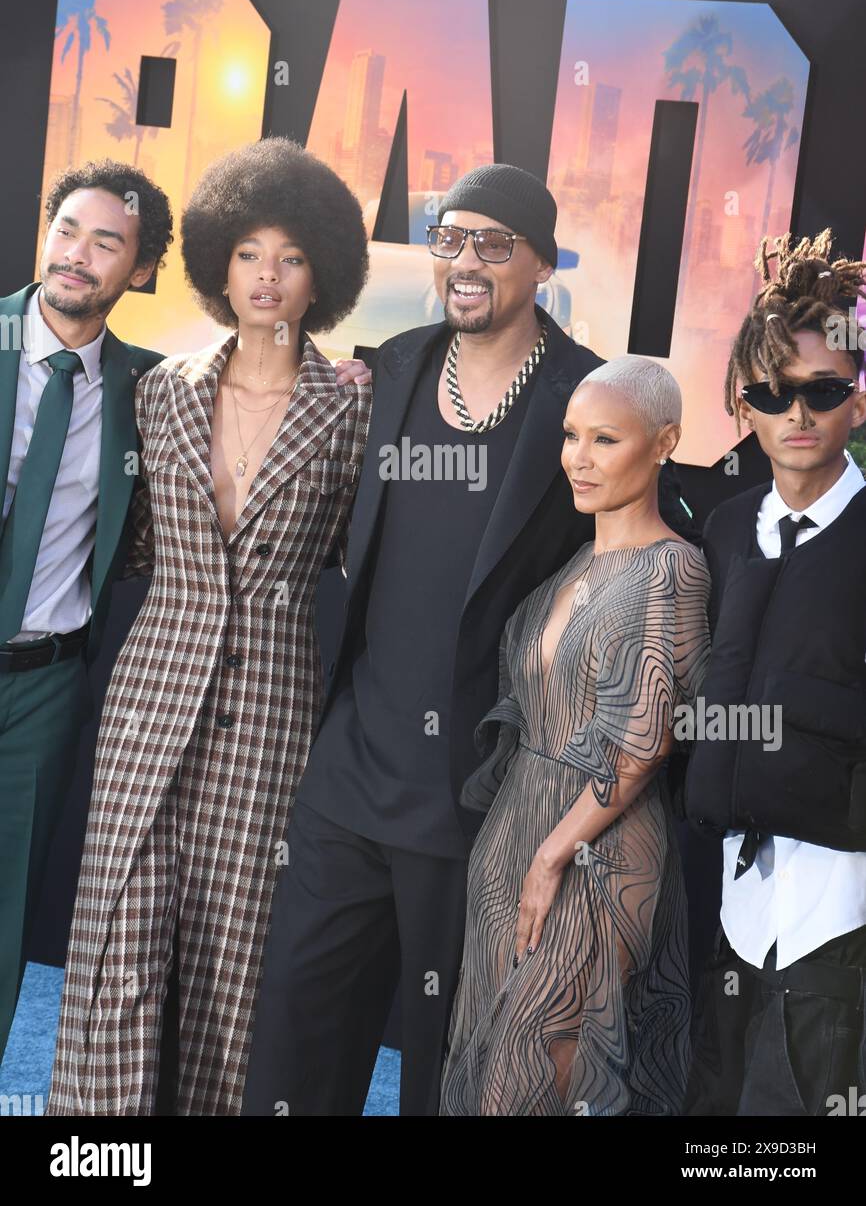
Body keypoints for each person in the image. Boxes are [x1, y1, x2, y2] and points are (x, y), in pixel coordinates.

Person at [242, 164, 695, 1117]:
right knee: (292, 1048)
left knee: (447, 1077)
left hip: (482, 805)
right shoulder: (389, 366)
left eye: (494, 243)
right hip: (351, 780)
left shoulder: (585, 396)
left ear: (540, 263)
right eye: (451, 238)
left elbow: (640, 563)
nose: (467, 261)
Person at [46, 137, 372, 1116]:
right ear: (216, 262)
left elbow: (367, 558)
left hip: (273, 715)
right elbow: (121, 542)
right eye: (247, 254)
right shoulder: (159, 393)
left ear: (323, 275)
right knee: (117, 950)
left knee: (237, 965)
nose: (265, 276)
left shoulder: (352, 407)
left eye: (291, 257)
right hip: (148, 702)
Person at [438, 356, 711, 1116]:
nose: (578, 459)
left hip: (597, 856)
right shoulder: (577, 563)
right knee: (488, 1059)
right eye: (570, 436)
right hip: (516, 838)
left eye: (605, 440)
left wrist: (552, 857)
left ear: (664, 444)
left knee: (527, 1084)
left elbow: (643, 742)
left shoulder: (674, 571)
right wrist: (522, 855)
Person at [684, 232, 866, 1116]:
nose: (797, 415)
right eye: (771, 394)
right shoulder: (723, 531)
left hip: (839, 919)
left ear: (858, 403)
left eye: (822, 392)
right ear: (744, 407)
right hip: (724, 909)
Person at [0, 159, 172, 1065]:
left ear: (138, 272)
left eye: (108, 242)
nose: (78, 254)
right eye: (69, 228)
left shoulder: (151, 391)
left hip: (43, 686)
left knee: (5, 908)